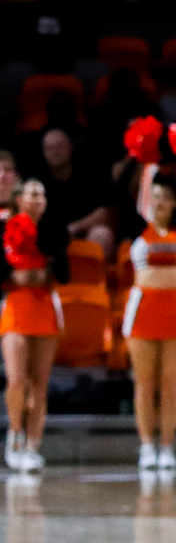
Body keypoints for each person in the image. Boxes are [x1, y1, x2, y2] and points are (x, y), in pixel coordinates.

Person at [126, 174, 176, 471]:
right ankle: (146, 445)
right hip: (143, 311)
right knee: (144, 383)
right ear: (146, 200)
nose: (161, 201)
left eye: (166, 196)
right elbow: (119, 192)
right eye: (155, 195)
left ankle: (167, 445)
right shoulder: (136, 229)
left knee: (170, 384)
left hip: (175, 309)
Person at [0, 180, 67, 473]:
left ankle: (33, 445)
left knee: (39, 382)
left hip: (44, 306)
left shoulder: (54, 230)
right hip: (16, 306)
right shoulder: (3, 230)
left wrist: (46, 269)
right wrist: (15, 277)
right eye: (33, 194)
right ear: (19, 199)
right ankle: (14, 434)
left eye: (43, 194)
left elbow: (65, 272)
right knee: (17, 379)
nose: (39, 199)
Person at [34, 126, 115, 255]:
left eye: (59, 146)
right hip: (51, 242)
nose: (55, 152)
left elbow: (103, 213)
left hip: (85, 234)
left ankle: (96, 275)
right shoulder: (36, 183)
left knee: (102, 233)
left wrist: (75, 228)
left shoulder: (90, 173)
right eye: (49, 148)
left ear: (70, 147)